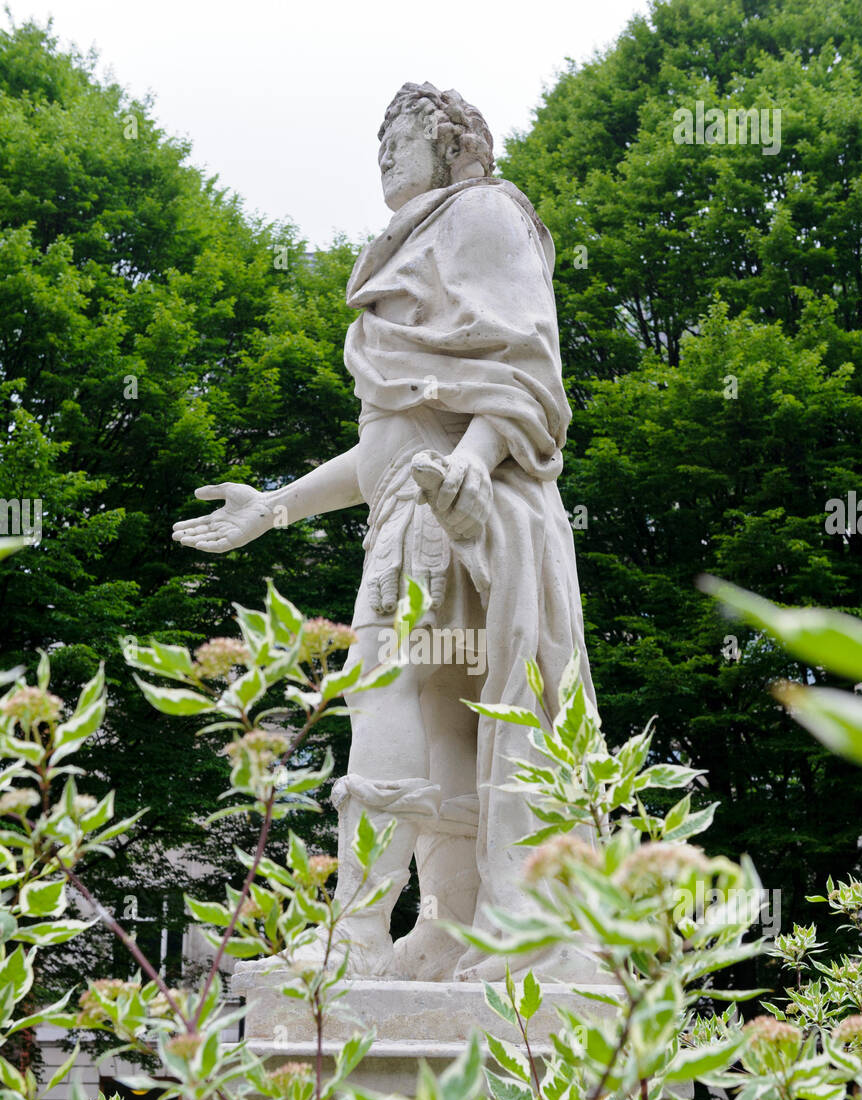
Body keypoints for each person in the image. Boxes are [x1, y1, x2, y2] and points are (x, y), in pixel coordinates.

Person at [173, 82, 596, 983]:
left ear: (452, 146)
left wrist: (472, 467)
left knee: (386, 690)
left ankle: (360, 932)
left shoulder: (483, 213)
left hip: (468, 512)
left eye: (399, 138)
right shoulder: (416, 242)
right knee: (447, 720)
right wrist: (276, 506)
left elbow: (519, 371)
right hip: (411, 508)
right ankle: (448, 925)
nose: (383, 156)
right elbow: (388, 442)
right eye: (377, 142)